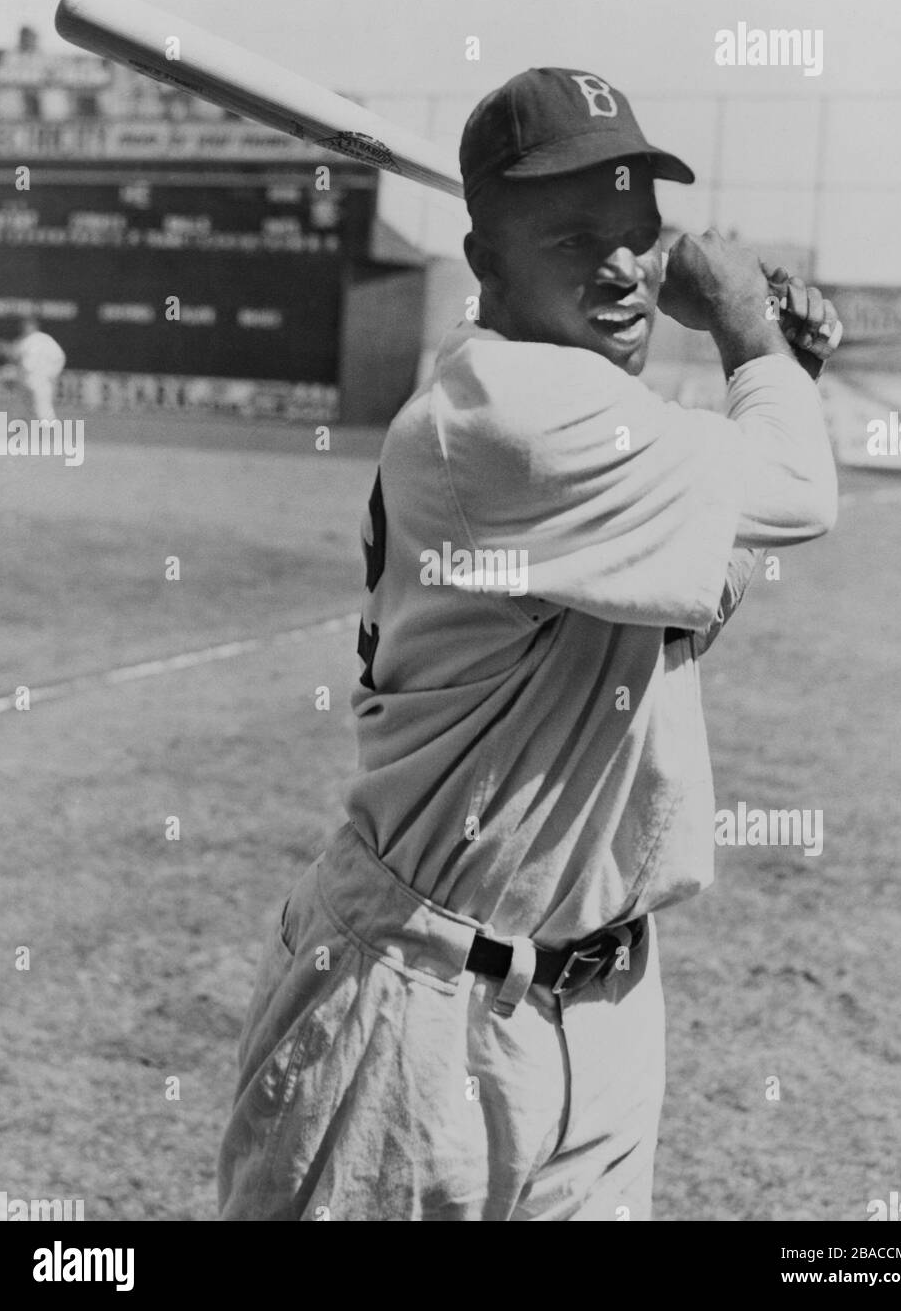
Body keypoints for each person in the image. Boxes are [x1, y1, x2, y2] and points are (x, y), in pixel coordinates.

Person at [218, 67, 840, 1222]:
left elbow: (701, 596)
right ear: (483, 260)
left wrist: (779, 370)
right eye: (573, 236)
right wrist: (749, 331)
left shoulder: (589, 425)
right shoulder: (504, 408)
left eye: (637, 237)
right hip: (414, 1006)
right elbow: (798, 492)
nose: (621, 270)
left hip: (600, 1007)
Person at [12, 316, 65, 422]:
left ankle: (48, 433)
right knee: (31, 408)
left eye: (29, 326)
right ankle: (26, 430)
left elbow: (59, 357)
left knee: (42, 408)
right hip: (31, 379)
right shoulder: (27, 340)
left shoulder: (39, 339)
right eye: (26, 326)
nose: (27, 328)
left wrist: (52, 374)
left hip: (38, 378)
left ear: (34, 327)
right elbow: (60, 357)